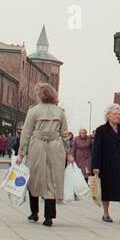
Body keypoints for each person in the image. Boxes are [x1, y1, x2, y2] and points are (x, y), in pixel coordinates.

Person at [19, 83, 70, 227]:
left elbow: (26, 133)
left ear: (40, 95)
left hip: (37, 146)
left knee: (34, 177)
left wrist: (21, 153)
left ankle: (34, 212)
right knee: (52, 180)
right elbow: (65, 134)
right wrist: (68, 151)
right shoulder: (60, 112)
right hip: (55, 147)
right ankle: (49, 216)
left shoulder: (33, 111)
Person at [92, 104, 120, 224]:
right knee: (107, 190)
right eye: (115, 114)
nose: (117, 116)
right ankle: (106, 214)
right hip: (106, 164)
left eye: (119, 114)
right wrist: (95, 167)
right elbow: (96, 149)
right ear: (108, 115)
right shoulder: (101, 130)